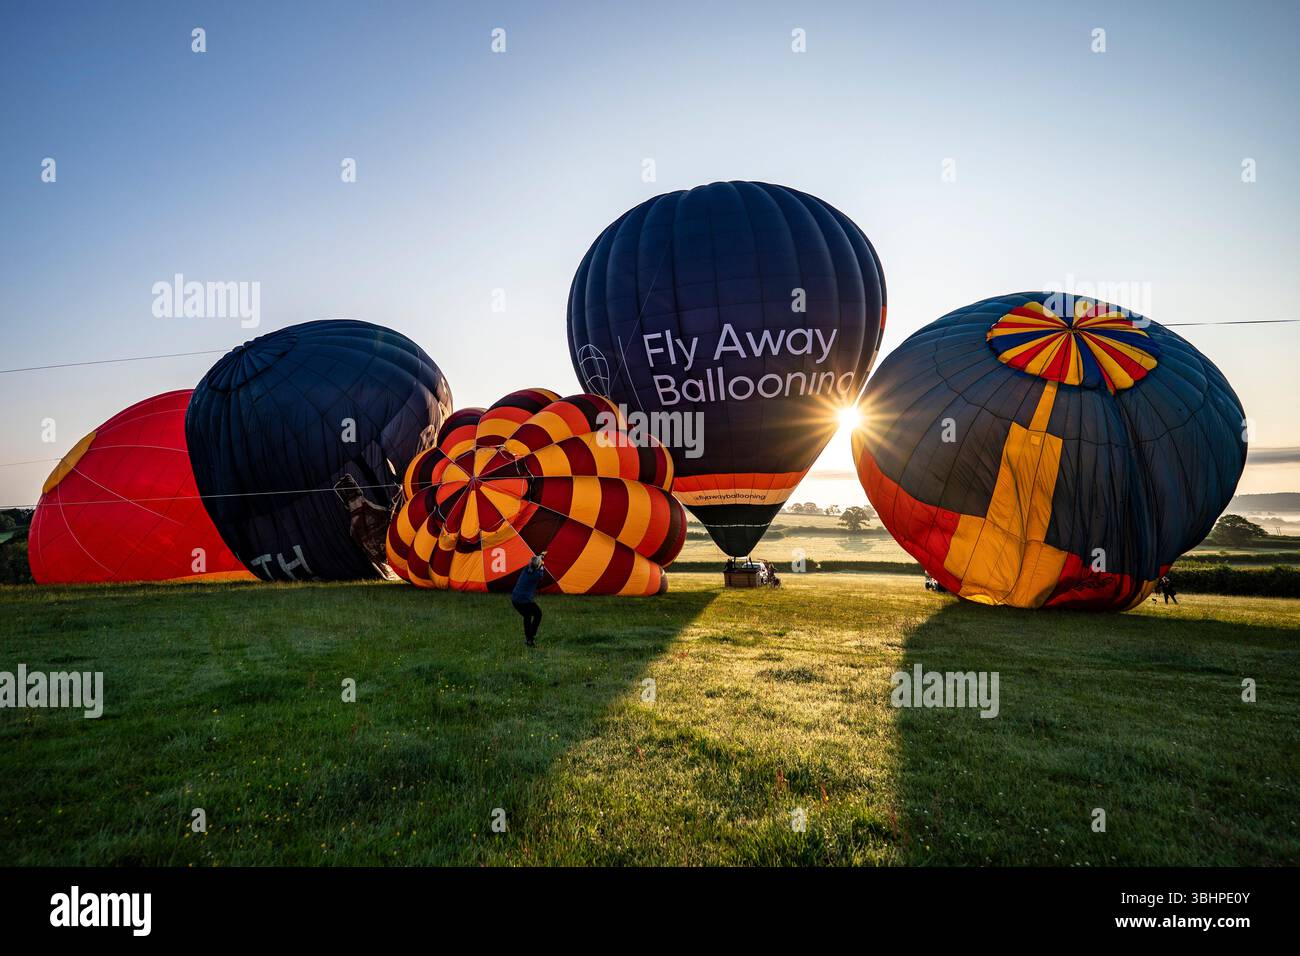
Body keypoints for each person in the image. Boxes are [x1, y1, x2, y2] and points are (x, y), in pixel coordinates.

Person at [512, 553, 547, 647]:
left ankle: (529, 639)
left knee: (527, 616)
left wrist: (541, 556)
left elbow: (535, 562)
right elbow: (541, 569)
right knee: (538, 614)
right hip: (524, 601)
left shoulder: (526, 569)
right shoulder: (537, 575)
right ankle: (530, 637)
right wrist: (542, 562)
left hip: (515, 599)